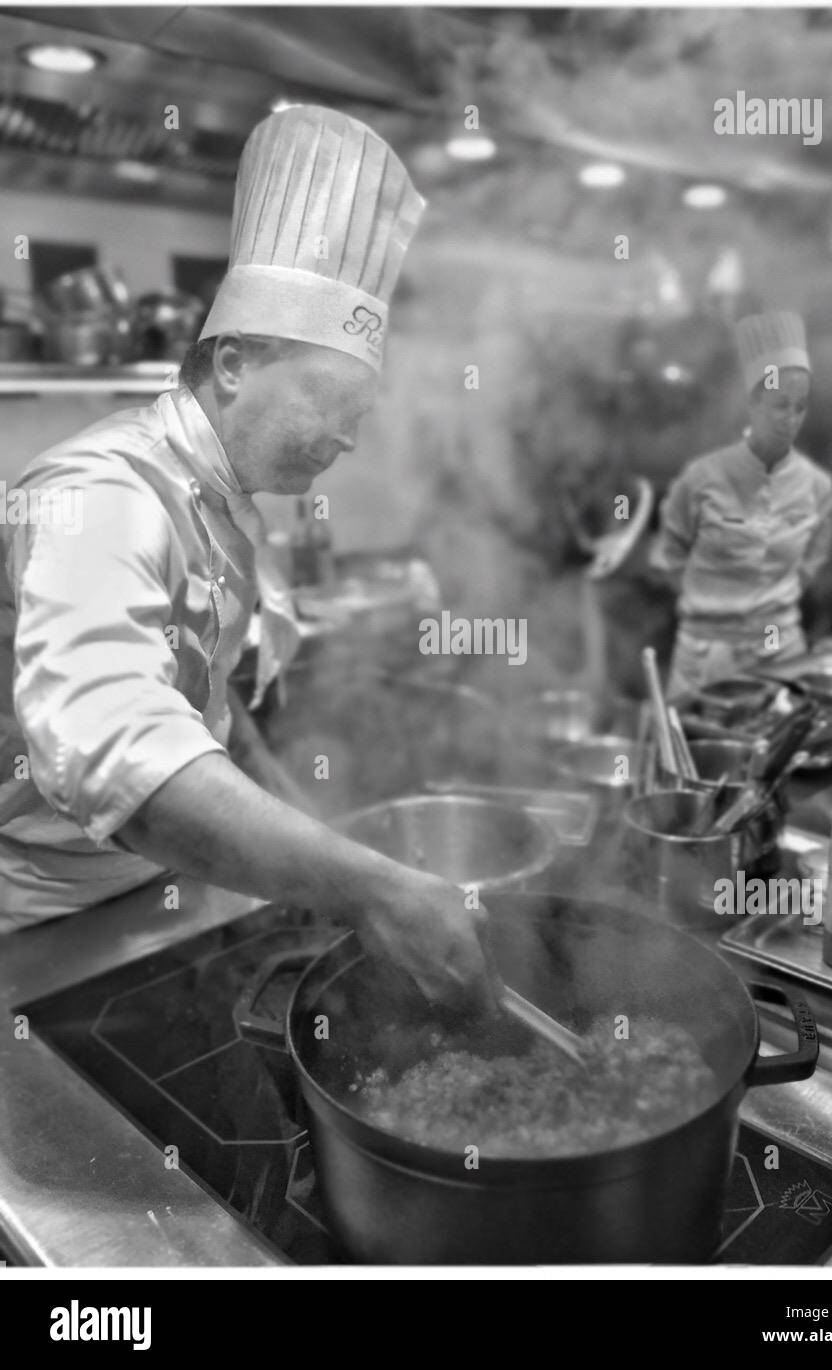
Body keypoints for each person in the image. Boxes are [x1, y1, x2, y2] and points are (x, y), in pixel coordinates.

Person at [0, 106, 493, 1014]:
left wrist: (309, 839)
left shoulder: (223, 499)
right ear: (230, 363)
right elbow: (113, 750)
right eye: (331, 399)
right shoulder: (98, 491)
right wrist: (368, 886)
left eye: (362, 407)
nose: (347, 437)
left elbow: (205, 704)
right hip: (37, 936)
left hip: (153, 895)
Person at [650, 310, 832, 698]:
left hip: (782, 655)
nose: (791, 419)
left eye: (800, 407)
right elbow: (669, 561)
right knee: (693, 756)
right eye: (779, 405)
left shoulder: (818, 487)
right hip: (706, 661)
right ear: (753, 405)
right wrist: (717, 616)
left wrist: (768, 613)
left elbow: (810, 566)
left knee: (784, 753)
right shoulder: (701, 479)